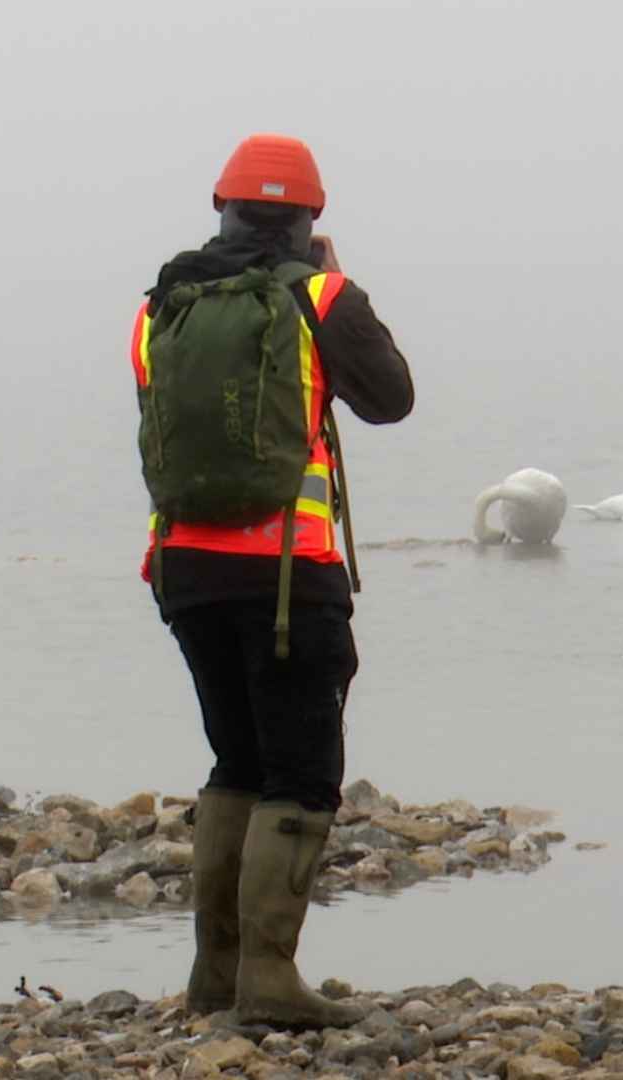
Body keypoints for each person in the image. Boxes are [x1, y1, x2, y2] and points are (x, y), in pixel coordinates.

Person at [128, 133, 413, 1029]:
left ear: (222, 208)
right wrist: (341, 284)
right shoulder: (321, 296)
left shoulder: (159, 310)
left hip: (183, 571)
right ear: (308, 220)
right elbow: (390, 397)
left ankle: (215, 978)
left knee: (236, 760)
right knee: (302, 771)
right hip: (289, 575)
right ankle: (270, 983)